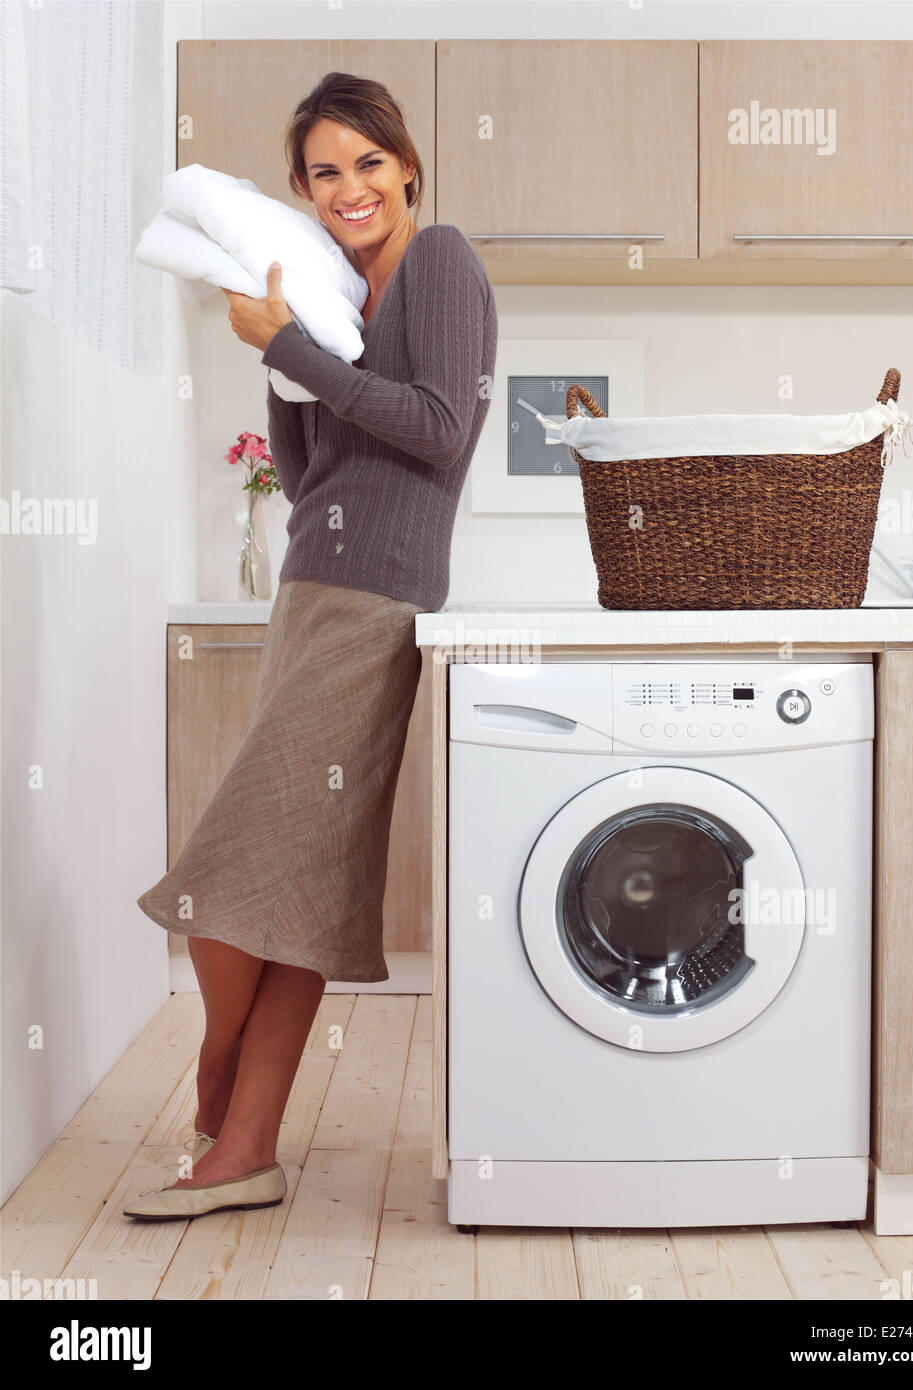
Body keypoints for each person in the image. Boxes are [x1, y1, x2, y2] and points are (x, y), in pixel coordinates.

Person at [126, 72, 498, 1220]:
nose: (349, 189)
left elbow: (440, 429)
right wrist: (280, 355)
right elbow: (307, 473)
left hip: (374, 604)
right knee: (289, 890)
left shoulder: (440, 265)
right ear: (301, 189)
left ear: (408, 168)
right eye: (324, 172)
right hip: (313, 589)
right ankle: (246, 1148)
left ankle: (218, 1069)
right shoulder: (335, 291)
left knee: (240, 865)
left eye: (368, 164)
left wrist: (303, 345)